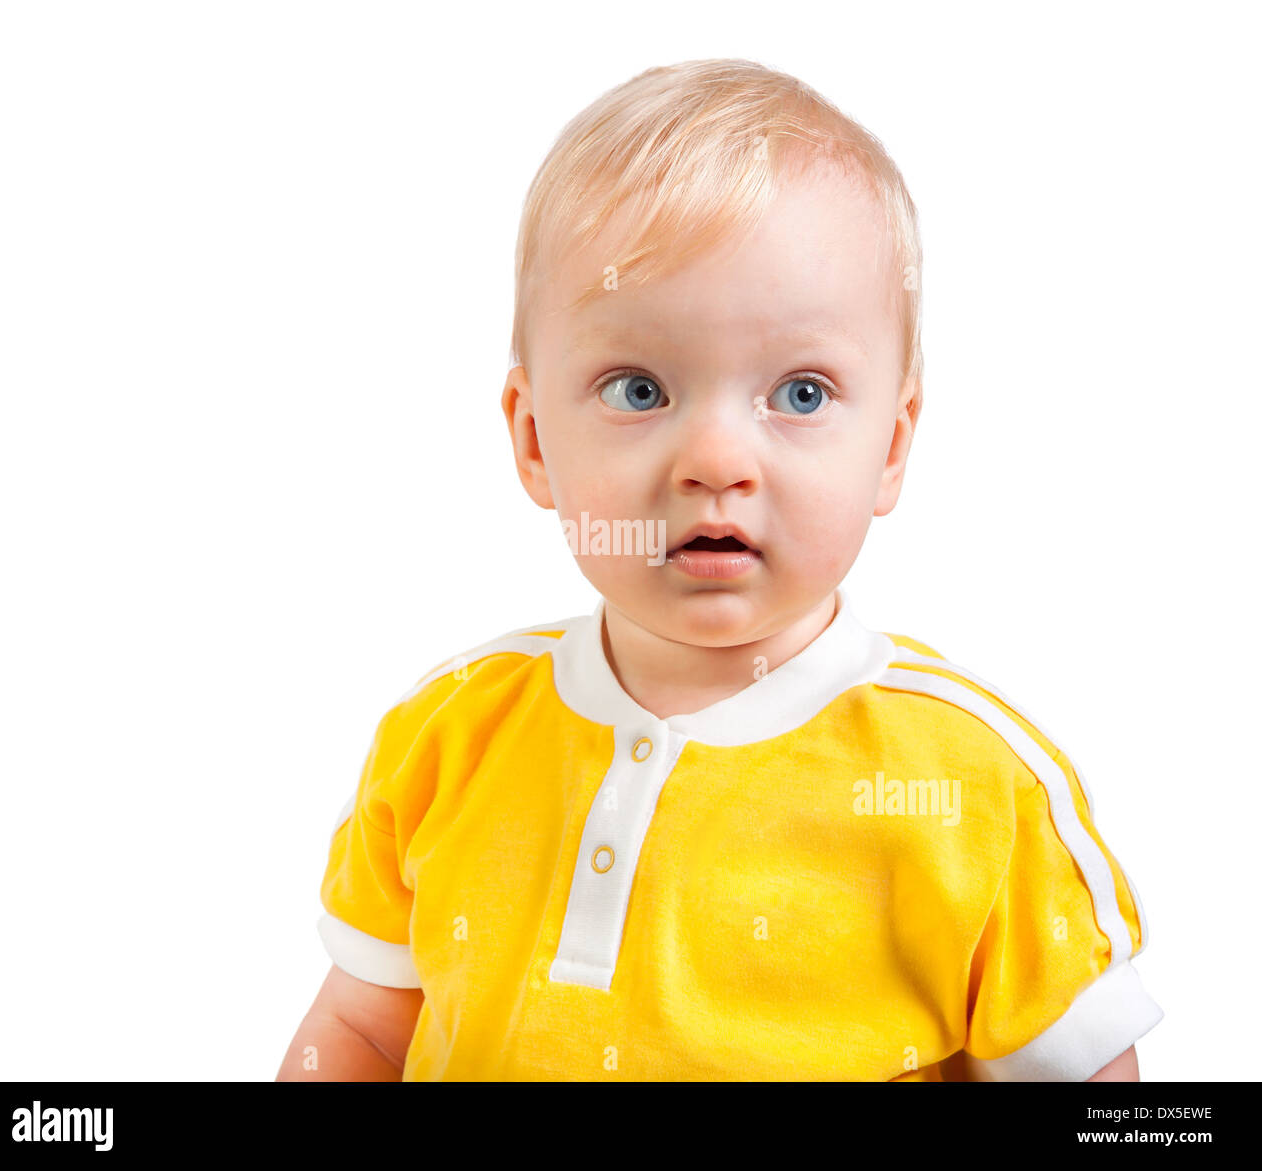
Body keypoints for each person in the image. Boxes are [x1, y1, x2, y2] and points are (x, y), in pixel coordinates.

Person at [276, 58, 1162, 1081]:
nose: (716, 461)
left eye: (798, 393)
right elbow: (359, 1031)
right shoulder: (445, 740)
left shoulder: (970, 788)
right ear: (531, 439)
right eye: (639, 387)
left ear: (889, 446)